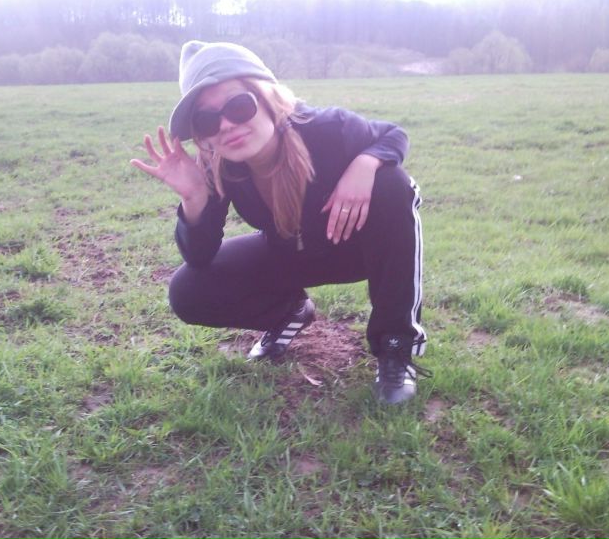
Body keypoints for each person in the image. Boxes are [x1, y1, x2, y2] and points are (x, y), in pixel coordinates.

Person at [130, 41, 427, 405]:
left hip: (355, 248)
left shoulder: (326, 128)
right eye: (207, 121)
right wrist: (194, 198)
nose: (226, 125)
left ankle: (395, 348)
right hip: (288, 254)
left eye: (238, 106)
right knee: (187, 291)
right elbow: (199, 256)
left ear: (266, 97)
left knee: (392, 183)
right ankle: (291, 313)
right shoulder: (217, 165)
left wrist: (366, 163)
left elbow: (393, 134)